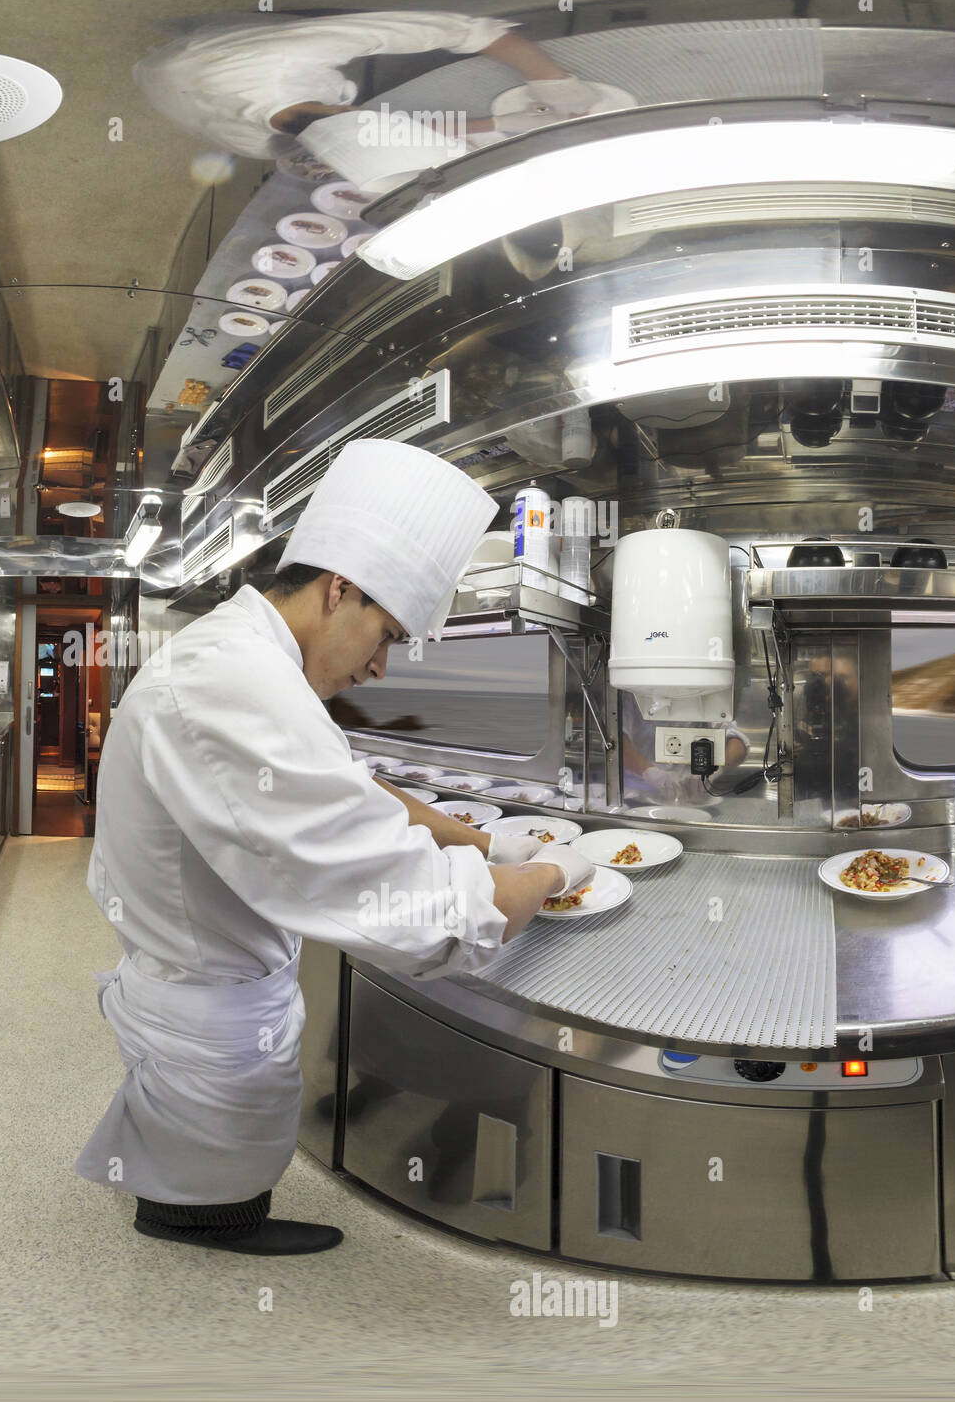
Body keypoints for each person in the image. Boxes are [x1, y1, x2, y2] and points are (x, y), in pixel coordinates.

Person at [74, 440, 592, 1255]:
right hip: (211, 992)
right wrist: (558, 870)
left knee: (217, 1136)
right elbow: (433, 915)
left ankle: (200, 1206)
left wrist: (484, 836)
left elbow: (345, 782)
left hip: (208, 968)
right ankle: (196, 1225)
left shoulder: (248, 655)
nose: (381, 668)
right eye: (384, 636)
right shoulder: (233, 681)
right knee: (208, 1165)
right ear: (338, 590)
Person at [132, 9, 632, 185]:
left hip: (206, 57)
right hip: (168, 80)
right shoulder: (253, 143)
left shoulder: (290, 54)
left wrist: (553, 85)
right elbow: (383, 134)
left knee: (369, 27)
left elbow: (468, 30)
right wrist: (501, 127)